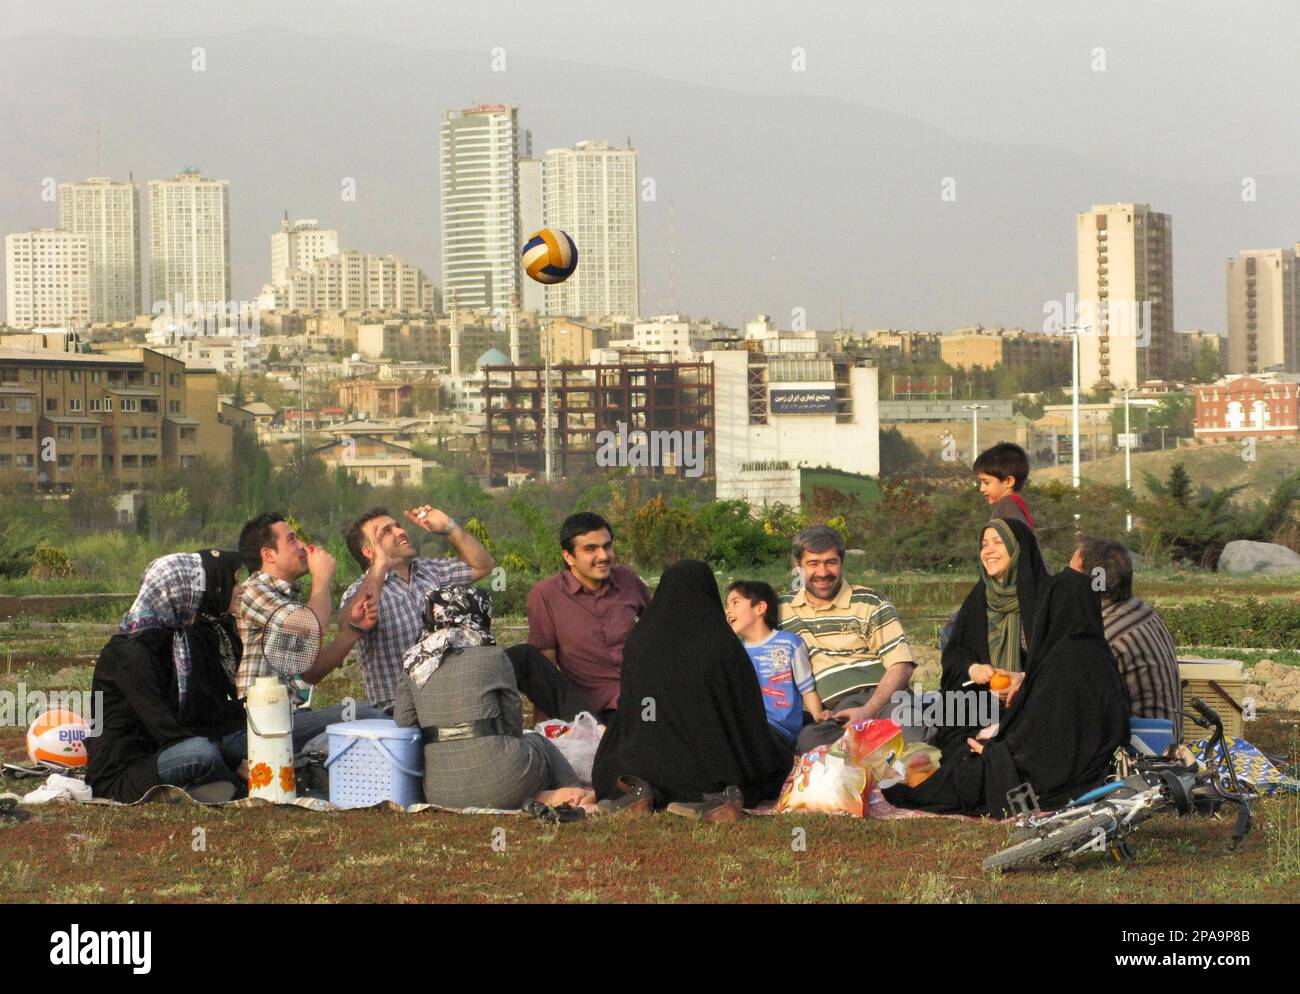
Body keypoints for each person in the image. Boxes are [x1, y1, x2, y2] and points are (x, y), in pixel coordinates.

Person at [883, 568, 1131, 817]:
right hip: (1089, 772)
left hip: (1049, 780)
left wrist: (992, 751)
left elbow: (1040, 742)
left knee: (959, 774)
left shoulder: (1061, 660)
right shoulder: (1101, 655)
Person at [592, 560, 792, 820]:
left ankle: (638, 794)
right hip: (712, 773)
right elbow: (746, 714)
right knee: (775, 752)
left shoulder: (639, 642)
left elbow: (631, 711)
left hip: (645, 768)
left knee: (617, 743)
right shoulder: (722, 644)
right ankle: (721, 798)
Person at [393, 586, 591, 810]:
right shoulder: (492, 655)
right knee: (537, 741)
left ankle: (539, 796)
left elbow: (403, 720)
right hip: (504, 780)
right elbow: (513, 724)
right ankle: (576, 793)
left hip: (440, 791)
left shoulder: (413, 661)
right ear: (479, 612)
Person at [86, 550, 249, 803]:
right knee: (202, 753)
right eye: (194, 592)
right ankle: (231, 784)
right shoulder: (130, 653)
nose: (198, 599)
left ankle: (205, 787)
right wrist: (234, 760)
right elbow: (165, 729)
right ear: (177, 591)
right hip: (121, 773)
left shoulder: (174, 642)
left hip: (158, 754)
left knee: (224, 745)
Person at [235, 513, 385, 752]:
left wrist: (353, 631)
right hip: (256, 724)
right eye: (292, 540)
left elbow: (309, 673)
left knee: (363, 720)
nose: (303, 546)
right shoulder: (252, 592)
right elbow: (312, 627)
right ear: (268, 555)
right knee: (365, 715)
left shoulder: (285, 599)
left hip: (286, 717)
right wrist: (322, 578)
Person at [339, 505, 495, 712]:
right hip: (399, 710)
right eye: (386, 531)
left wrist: (448, 527)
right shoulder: (358, 592)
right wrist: (379, 567)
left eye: (397, 526)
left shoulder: (428, 570)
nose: (400, 531)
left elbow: (483, 565)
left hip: (448, 697)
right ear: (368, 552)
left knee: (518, 658)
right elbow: (347, 624)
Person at [778, 525, 916, 753]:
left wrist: (868, 710)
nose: (823, 572)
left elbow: (901, 664)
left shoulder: (870, 601)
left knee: (910, 735)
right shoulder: (781, 609)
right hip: (833, 712)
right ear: (797, 566)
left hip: (885, 699)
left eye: (831, 562)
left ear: (842, 562)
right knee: (811, 745)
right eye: (813, 563)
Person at [511, 512, 651, 724]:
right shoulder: (546, 595)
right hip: (586, 711)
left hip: (638, 699)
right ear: (568, 557)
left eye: (607, 546)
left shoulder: (628, 581)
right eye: (591, 549)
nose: (603, 556)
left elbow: (659, 627)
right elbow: (545, 669)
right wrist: (548, 724)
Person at [937, 518, 1050, 747]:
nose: (989, 550)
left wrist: (1023, 679)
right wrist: (973, 668)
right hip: (982, 706)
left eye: (998, 542)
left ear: (1018, 549)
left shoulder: (1047, 598)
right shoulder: (978, 600)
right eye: (984, 544)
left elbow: (1065, 661)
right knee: (954, 738)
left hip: (1036, 705)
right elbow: (955, 654)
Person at [1072, 536, 1183, 740]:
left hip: (1141, 753)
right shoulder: (1141, 610)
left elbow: (1076, 703)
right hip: (1170, 741)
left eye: (1071, 575)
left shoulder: (1104, 635)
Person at [725, 580, 827, 749]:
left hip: (780, 731)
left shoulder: (789, 644)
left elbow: (807, 689)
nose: (728, 610)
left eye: (735, 602)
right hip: (749, 728)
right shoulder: (735, 653)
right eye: (727, 605)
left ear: (760, 608)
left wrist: (818, 715)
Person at [973, 442, 1034, 530]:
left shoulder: (1008, 505)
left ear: (1009, 481)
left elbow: (1021, 536)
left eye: (986, 482)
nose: (982, 489)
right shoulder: (1013, 505)